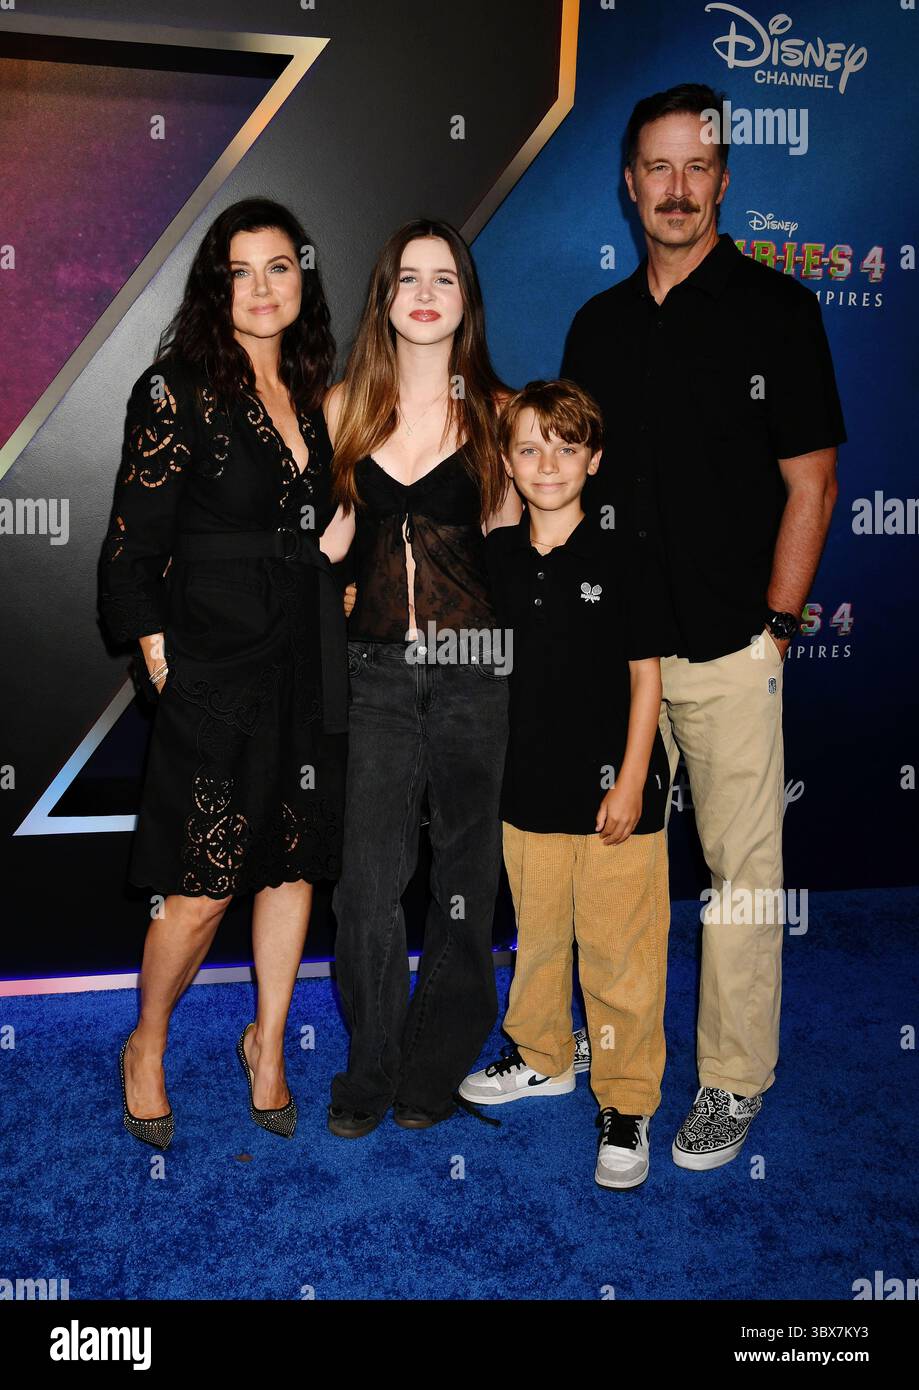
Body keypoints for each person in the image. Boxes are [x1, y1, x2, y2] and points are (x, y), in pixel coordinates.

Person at [559, 84, 845, 1169]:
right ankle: (618, 1062)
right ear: (629, 184)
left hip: (730, 650)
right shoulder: (596, 324)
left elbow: (811, 484)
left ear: (723, 179)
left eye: (696, 168)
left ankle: (730, 1082)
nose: (675, 190)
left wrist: (774, 628)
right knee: (619, 873)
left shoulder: (778, 312)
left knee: (741, 880)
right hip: (617, 655)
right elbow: (565, 492)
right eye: (656, 169)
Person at [98, 198, 347, 1148]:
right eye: (240, 271)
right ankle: (147, 1046)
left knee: (291, 864)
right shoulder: (177, 389)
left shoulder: (316, 388)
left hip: (304, 656)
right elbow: (130, 545)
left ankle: (269, 1044)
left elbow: (319, 519)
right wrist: (155, 652)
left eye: (278, 266)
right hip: (214, 659)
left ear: (302, 277)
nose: (260, 288)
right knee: (202, 883)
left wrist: (337, 562)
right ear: (217, 285)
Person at [319, 218, 521, 1137]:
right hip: (378, 673)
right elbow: (320, 545)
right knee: (366, 880)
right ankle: (371, 1065)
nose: (427, 293)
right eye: (409, 277)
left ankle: (434, 1065)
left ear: (466, 302)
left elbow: (523, 557)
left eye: (446, 278)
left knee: (463, 877)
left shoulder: (500, 414)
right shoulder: (341, 412)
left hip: (476, 669)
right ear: (386, 299)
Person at [459, 380, 671, 1189]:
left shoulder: (624, 552)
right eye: (529, 447)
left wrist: (628, 784)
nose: (547, 461)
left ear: (594, 458)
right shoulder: (495, 558)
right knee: (538, 939)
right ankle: (544, 1057)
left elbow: (645, 680)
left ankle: (625, 1102)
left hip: (617, 800)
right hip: (526, 795)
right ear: (508, 464)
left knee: (619, 953)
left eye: (566, 445)